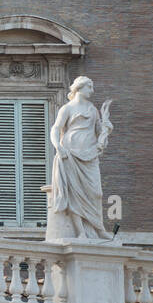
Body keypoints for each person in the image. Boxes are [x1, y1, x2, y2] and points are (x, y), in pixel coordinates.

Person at [47, 76, 113, 241]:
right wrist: (58, 147)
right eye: (90, 87)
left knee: (95, 193)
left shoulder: (92, 109)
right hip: (70, 154)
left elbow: (99, 130)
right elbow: (55, 129)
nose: (92, 90)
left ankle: (99, 228)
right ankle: (81, 232)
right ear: (80, 88)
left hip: (89, 155)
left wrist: (105, 122)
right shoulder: (67, 108)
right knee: (74, 195)